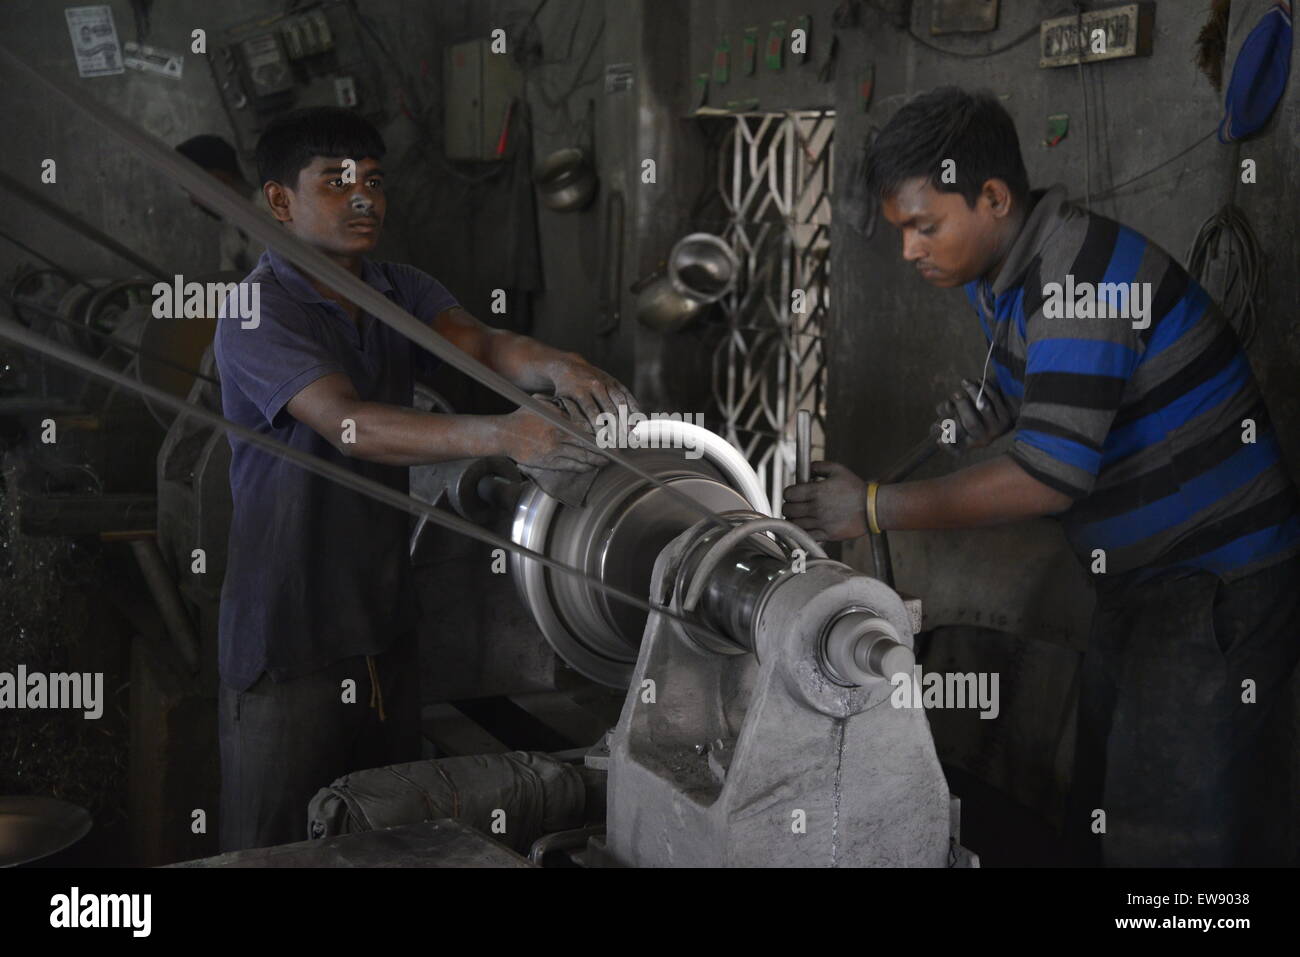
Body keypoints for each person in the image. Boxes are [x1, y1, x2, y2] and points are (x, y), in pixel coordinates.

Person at [782, 87, 1300, 867]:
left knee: (1167, 837)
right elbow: (1070, 399)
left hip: (1216, 583)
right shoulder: (1009, 279)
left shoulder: (1082, 281)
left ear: (992, 197)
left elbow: (1048, 480)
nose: (911, 250)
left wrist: (876, 506)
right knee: (1103, 809)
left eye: (926, 226)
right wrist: (1000, 411)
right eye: (902, 231)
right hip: (1144, 583)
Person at [212, 106, 634, 852]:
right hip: (291, 641)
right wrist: (504, 435)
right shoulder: (256, 310)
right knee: (281, 850)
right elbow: (350, 424)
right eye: (337, 183)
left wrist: (561, 367)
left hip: (382, 631)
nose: (365, 198)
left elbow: (485, 342)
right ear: (280, 202)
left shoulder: (397, 287)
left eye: (373, 181)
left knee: (391, 838)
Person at [174, 133, 267, 274]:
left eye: (191, 190)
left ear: (218, 179)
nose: (193, 202)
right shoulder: (230, 233)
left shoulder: (278, 212)